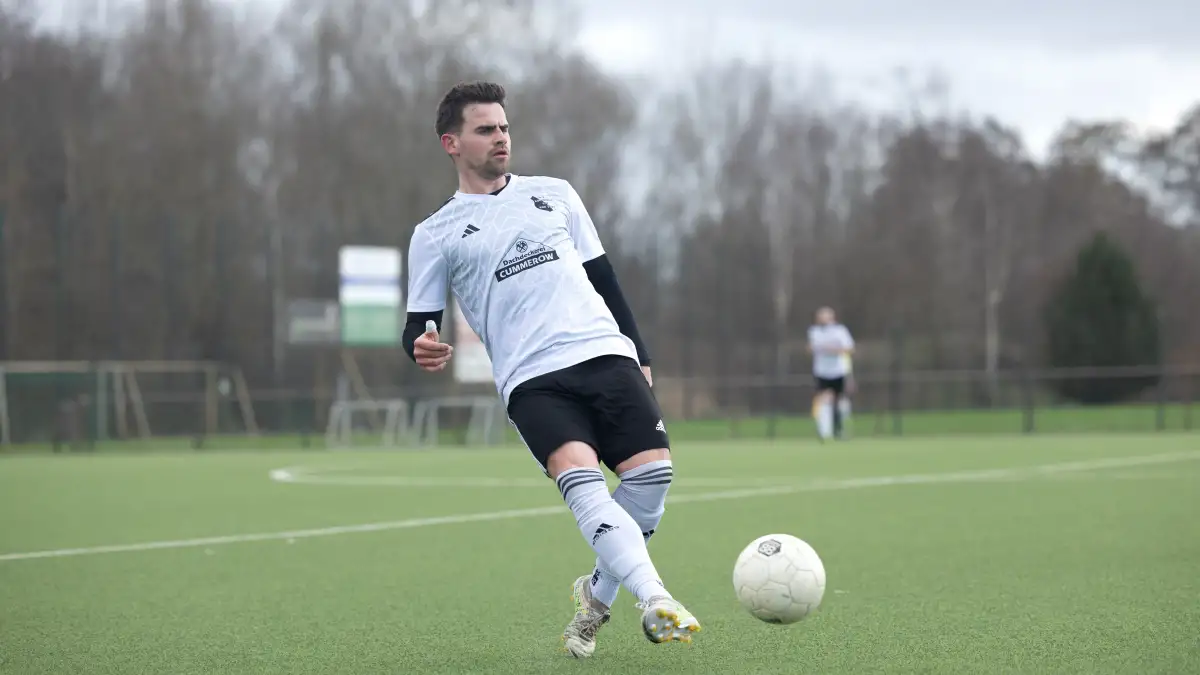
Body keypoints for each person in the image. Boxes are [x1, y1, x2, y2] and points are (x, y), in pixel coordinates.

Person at [402, 81, 700, 658]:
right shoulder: (434, 233)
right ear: (451, 143)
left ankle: (595, 595)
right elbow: (418, 323)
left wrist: (638, 353)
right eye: (485, 130)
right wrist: (422, 343)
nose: (500, 139)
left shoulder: (556, 194)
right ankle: (654, 596)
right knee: (582, 480)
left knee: (652, 477)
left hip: (604, 353)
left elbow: (603, 277)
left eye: (504, 127)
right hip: (532, 378)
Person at [806, 306, 855, 440]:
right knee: (823, 400)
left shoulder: (840, 331)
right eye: (820, 317)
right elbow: (811, 348)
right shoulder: (814, 331)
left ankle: (839, 429)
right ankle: (824, 431)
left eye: (825, 316)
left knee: (839, 402)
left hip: (838, 371)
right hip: (821, 371)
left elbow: (849, 348)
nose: (822, 319)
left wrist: (833, 350)